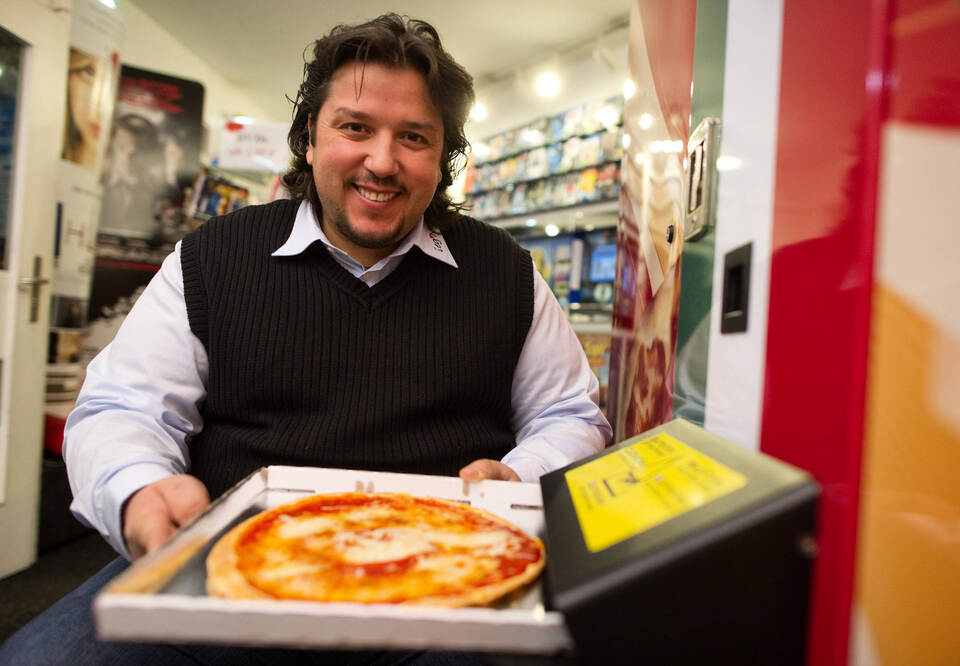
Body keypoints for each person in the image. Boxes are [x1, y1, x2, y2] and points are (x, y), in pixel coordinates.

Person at [0, 14, 611, 665]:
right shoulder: (213, 259)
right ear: (310, 140)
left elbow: (568, 415)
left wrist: (516, 477)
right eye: (355, 127)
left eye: (414, 137)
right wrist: (139, 487)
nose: (382, 161)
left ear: (444, 159)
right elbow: (125, 406)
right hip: (225, 574)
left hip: (445, 585)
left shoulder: (507, 272)